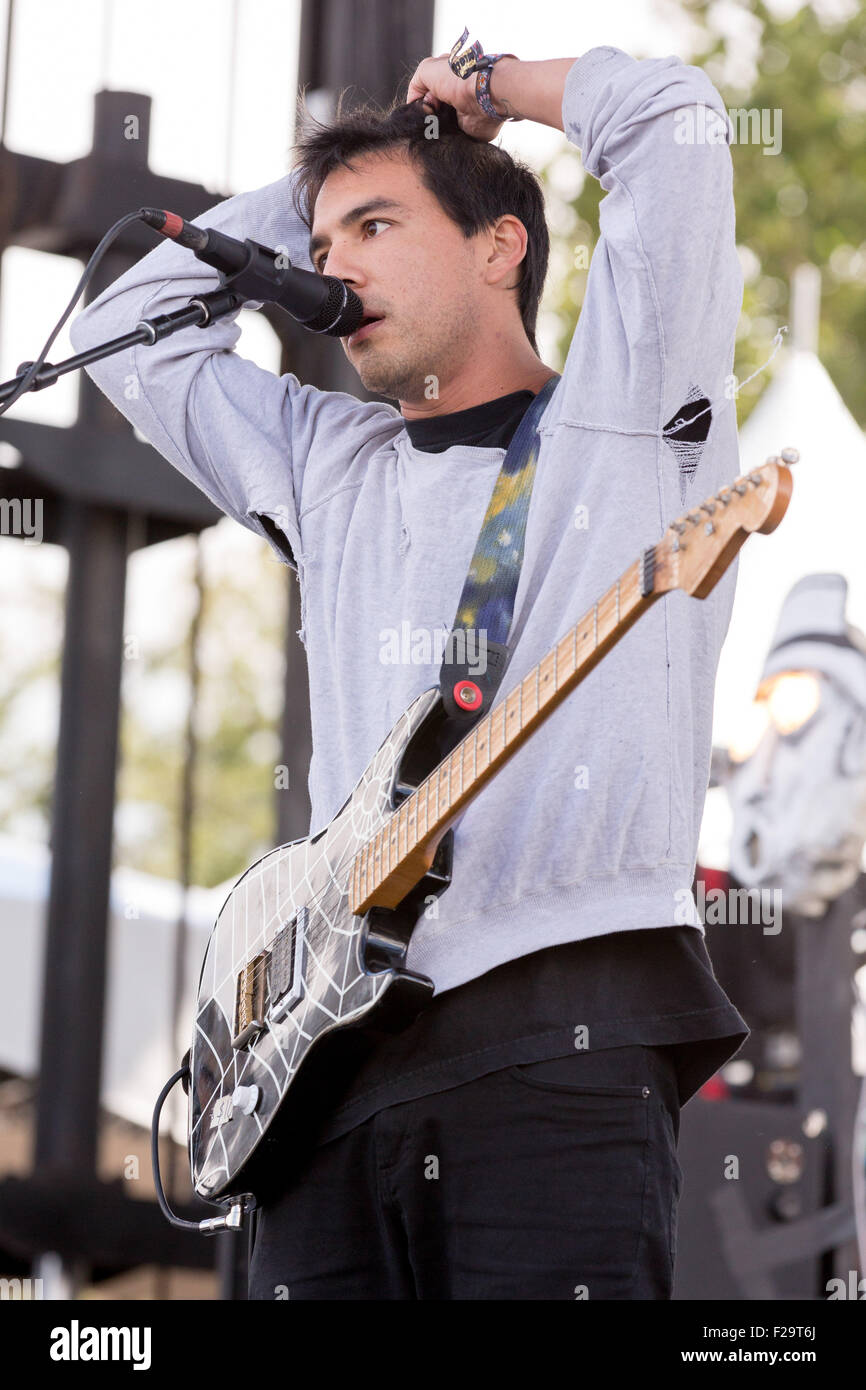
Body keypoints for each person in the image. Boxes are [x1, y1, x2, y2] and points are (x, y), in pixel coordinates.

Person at [70, 38, 749, 1300]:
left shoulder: (629, 405)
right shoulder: (331, 466)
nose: (334, 271)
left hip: (558, 1043)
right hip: (321, 1078)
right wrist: (322, 187)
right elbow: (125, 331)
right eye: (322, 252)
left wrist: (478, 99)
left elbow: (673, 119)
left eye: (377, 229)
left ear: (499, 245)